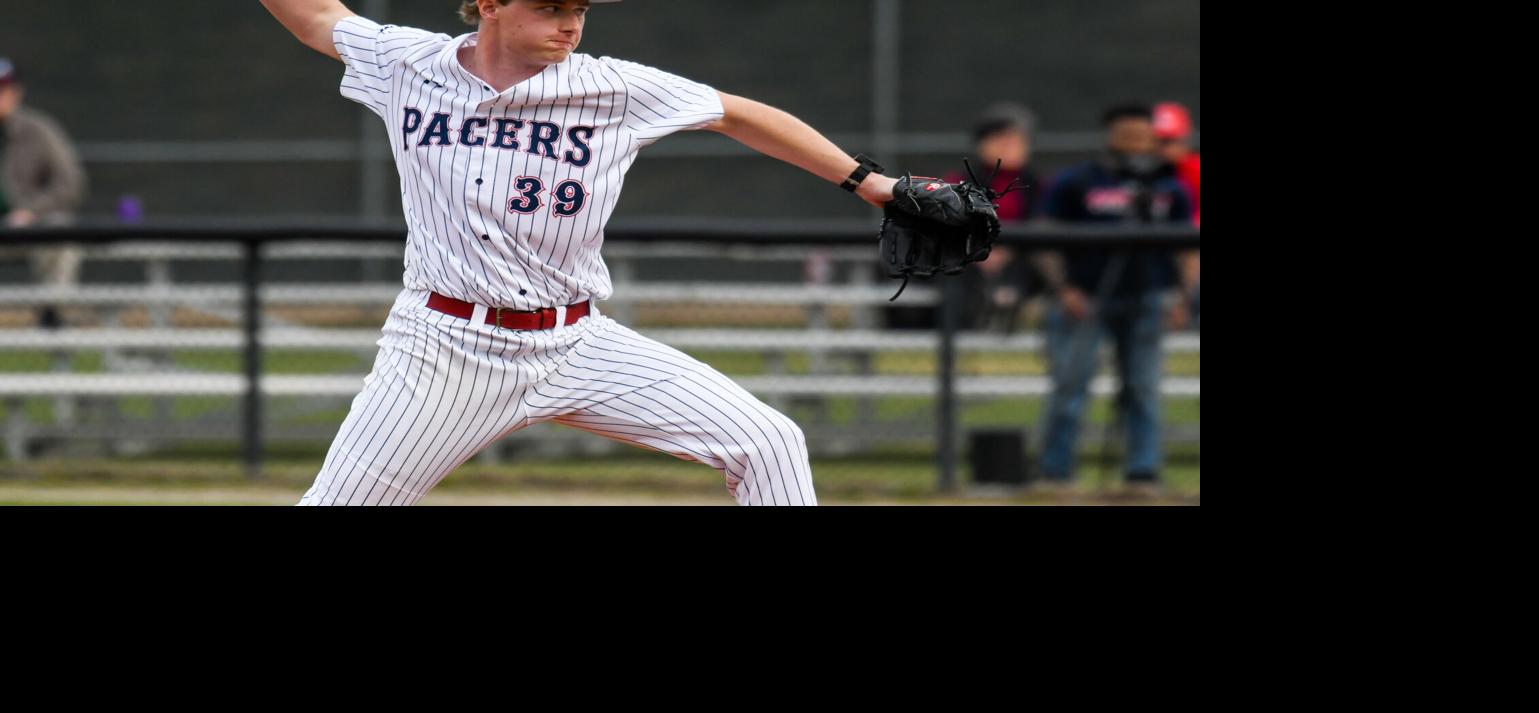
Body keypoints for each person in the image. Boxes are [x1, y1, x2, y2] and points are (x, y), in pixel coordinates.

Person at [261, 0, 914, 505]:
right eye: (550, 7)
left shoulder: (616, 89)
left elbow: (735, 113)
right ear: (488, 3)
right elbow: (319, 16)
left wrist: (869, 183)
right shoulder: (407, 64)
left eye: (578, 9)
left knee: (769, 442)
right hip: (444, 351)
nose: (570, 24)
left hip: (578, 343)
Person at [1032, 103, 1192, 492]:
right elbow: (1043, 239)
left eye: (1143, 135)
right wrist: (1063, 288)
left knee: (1142, 389)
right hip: (1085, 299)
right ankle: (1056, 474)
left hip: (1147, 298)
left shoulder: (1168, 187)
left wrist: (1183, 297)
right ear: (1110, 135)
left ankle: (1142, 473)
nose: (1137, 143)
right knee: (1071, 385)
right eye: (1128, 134)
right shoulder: (1077, 182)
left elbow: (1187, 248)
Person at [0, 56, 88, 329]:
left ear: (16, 92)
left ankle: (53, 315)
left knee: (60, 232)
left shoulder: (37, 130)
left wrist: (31, 211)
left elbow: (71, 183)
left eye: (4, 89)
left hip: (24, 229)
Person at [942, 103, 1046, 333]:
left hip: (1019, 257)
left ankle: (1006, 309)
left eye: (1018, 141)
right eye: (1002, 140)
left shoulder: (1036, 184)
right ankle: (970, 325)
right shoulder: (960, 180)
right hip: (971, 257)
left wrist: (1008, 250)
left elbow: (1041, 224)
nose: (1011, 147)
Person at [1153, 101, 1200, 330]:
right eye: (1159, 142)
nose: (1164, 148)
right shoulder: (1151, 174)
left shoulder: (1194, 170)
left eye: (1170, 141)